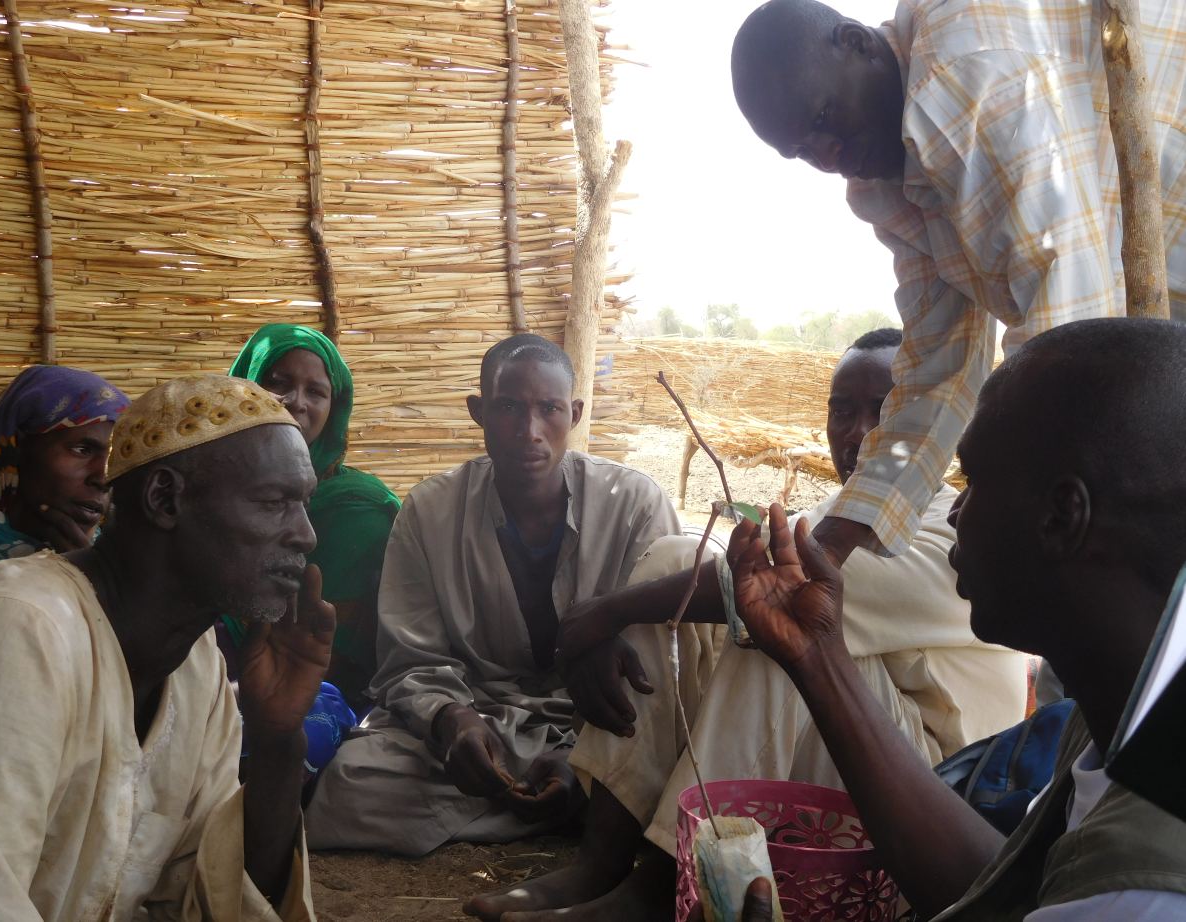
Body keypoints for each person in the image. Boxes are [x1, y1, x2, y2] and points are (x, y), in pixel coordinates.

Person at [466, 329, 1027, 921]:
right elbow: (713, 579)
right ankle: (601, 860)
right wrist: (626, 611)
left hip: (930, 785)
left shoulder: (953, 526)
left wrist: (606, 612)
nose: (859, 430)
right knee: (674, 557)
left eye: (886, 409)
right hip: (851, 753)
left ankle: (660, 886)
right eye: (843, 408)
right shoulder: (839, 517)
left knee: (784, 638)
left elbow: (790, 600)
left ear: (931, 423)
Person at [729, 318, 1186, 919]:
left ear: (1061, 517)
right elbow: (996, 890)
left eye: (972, 480)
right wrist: (816, 656)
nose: (958, 512)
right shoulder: (1126, 709)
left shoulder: (1139, 891)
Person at [730, 0, 1186, 568]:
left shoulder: (959, 76)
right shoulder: (888, 182)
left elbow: (1070, 318)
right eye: (799, 151)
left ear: (855, 42)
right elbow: (937, 370)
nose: (826, 157)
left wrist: (1003, 492)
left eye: (822, 118)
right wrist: (831, 547)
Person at [0, 375, 328, 919]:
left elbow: (215, 897)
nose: (306, 534)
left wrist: (276, 741)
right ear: (164, 499)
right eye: (274, 502)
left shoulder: (198, 665)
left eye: (303, 505)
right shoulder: (20, 624)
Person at [304, 333, 682, 856]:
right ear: (478, 411)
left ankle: (578, 787)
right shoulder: (430, 511)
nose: (530, 431)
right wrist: (452, 720)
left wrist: (586, 753)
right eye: (508, 407)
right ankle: (578, 805)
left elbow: (655, 666)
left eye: (549, 409)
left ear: (573, 413)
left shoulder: (634, 503)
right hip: (479, 720)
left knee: (665, 762)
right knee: (353, 783)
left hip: (596, 727)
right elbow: (409, 660)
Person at [225, 323, 400, 710]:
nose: (296, 401)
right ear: (245, 386)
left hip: (327, 698)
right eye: (277, 382)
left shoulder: (362, 509)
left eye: (316, 391)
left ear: (334, 406)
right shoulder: (209, 492)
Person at [0, 365, 128, 574]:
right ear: (15, 446)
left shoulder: (115, 559)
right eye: (83, 450)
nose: (104, 478)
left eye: (117, 458)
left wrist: (91, 580)